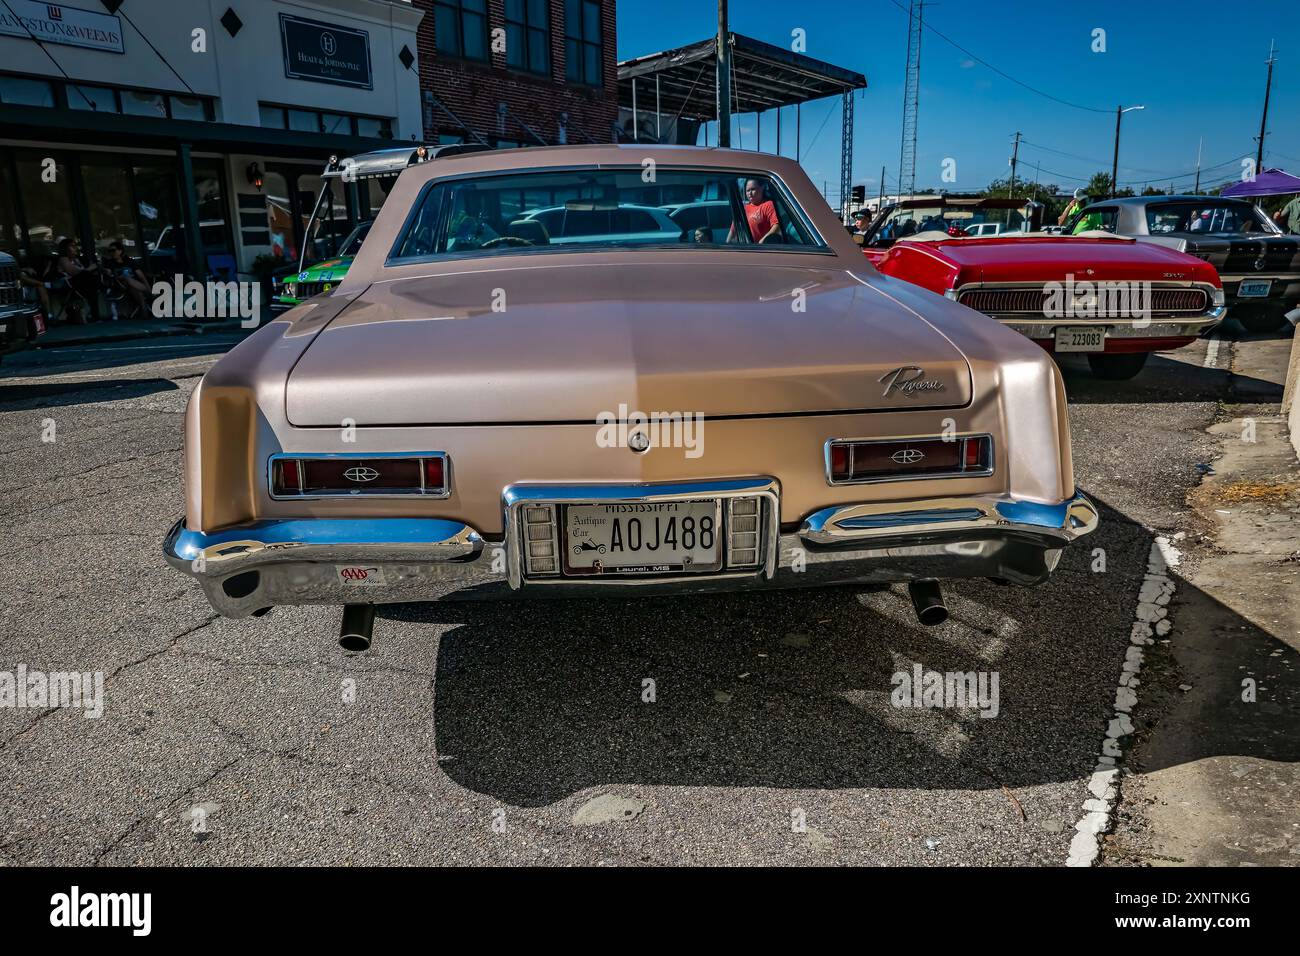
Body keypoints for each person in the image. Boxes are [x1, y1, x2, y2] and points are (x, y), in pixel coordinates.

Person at [56, 237, 103, 323]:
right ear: (65, 248)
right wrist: (90, 268)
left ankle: (96, 315)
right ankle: (104, 287)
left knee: (93, 283)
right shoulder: (63, 259)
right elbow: (72, 272)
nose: (75, 248)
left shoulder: (77, 259)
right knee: (89, 276)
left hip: (83, 283)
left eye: (75, 246)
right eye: (72, 246)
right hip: (70, 283)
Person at [104, 240, 150, 318]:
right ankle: (149, 293)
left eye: (113, 250)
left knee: (136, 290)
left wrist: (147, 285)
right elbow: (109, 275)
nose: (111, 252)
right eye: (109, 251)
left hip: (133, 285)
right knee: (127, 278)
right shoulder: (109, 263)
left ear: (120, 251)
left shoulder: (129, 261)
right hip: (119, 285)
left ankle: (144, 309)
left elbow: (141, 276)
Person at [735, 178, 781, 244]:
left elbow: (777, 226)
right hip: (746, 248)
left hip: (761, 249)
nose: (750, 193)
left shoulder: (768, 205)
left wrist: (762, 242)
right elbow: (733, 230)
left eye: (753, 189)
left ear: (762, 188)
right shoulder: (744, 209)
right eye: (748, 190)